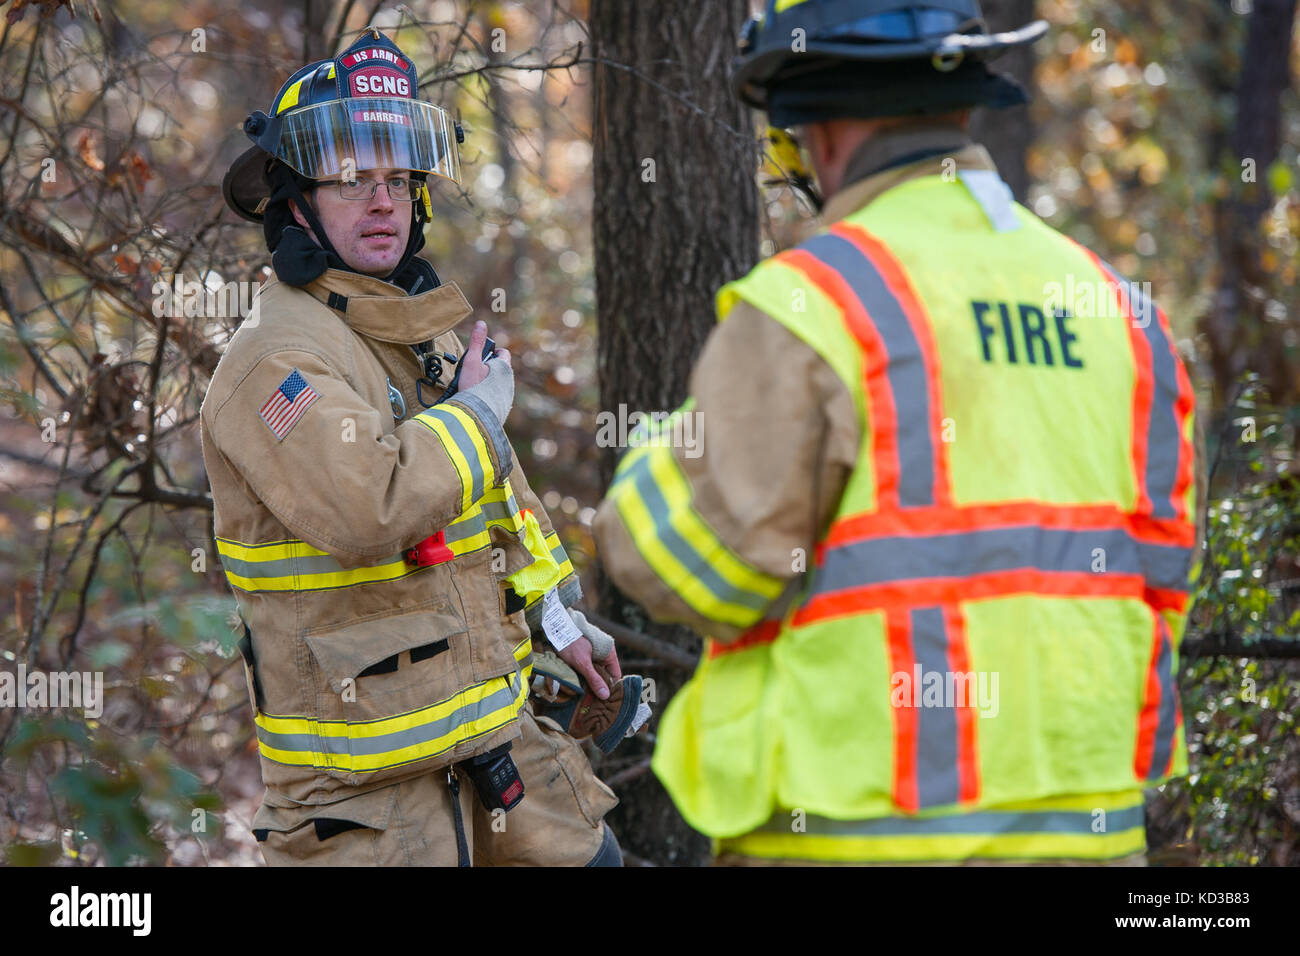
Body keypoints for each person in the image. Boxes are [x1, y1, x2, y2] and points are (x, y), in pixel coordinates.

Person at [593, 0, 1203, 865]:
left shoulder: (822, 300)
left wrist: (662, 457)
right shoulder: (1120, 310)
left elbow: (691, 567)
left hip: (856, 835)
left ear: (823, 124)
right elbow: (1165, 570)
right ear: (962, 102)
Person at [205, 27, 634, 866]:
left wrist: (556, 616)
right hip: (366, 801)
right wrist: (475, 414)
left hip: (492, 744)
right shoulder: (276, 359)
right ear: (295, 201)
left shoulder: (404, 331)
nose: (383, 201)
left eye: (398, 179)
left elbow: (492, 500)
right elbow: (370, 503)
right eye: (353, 179)